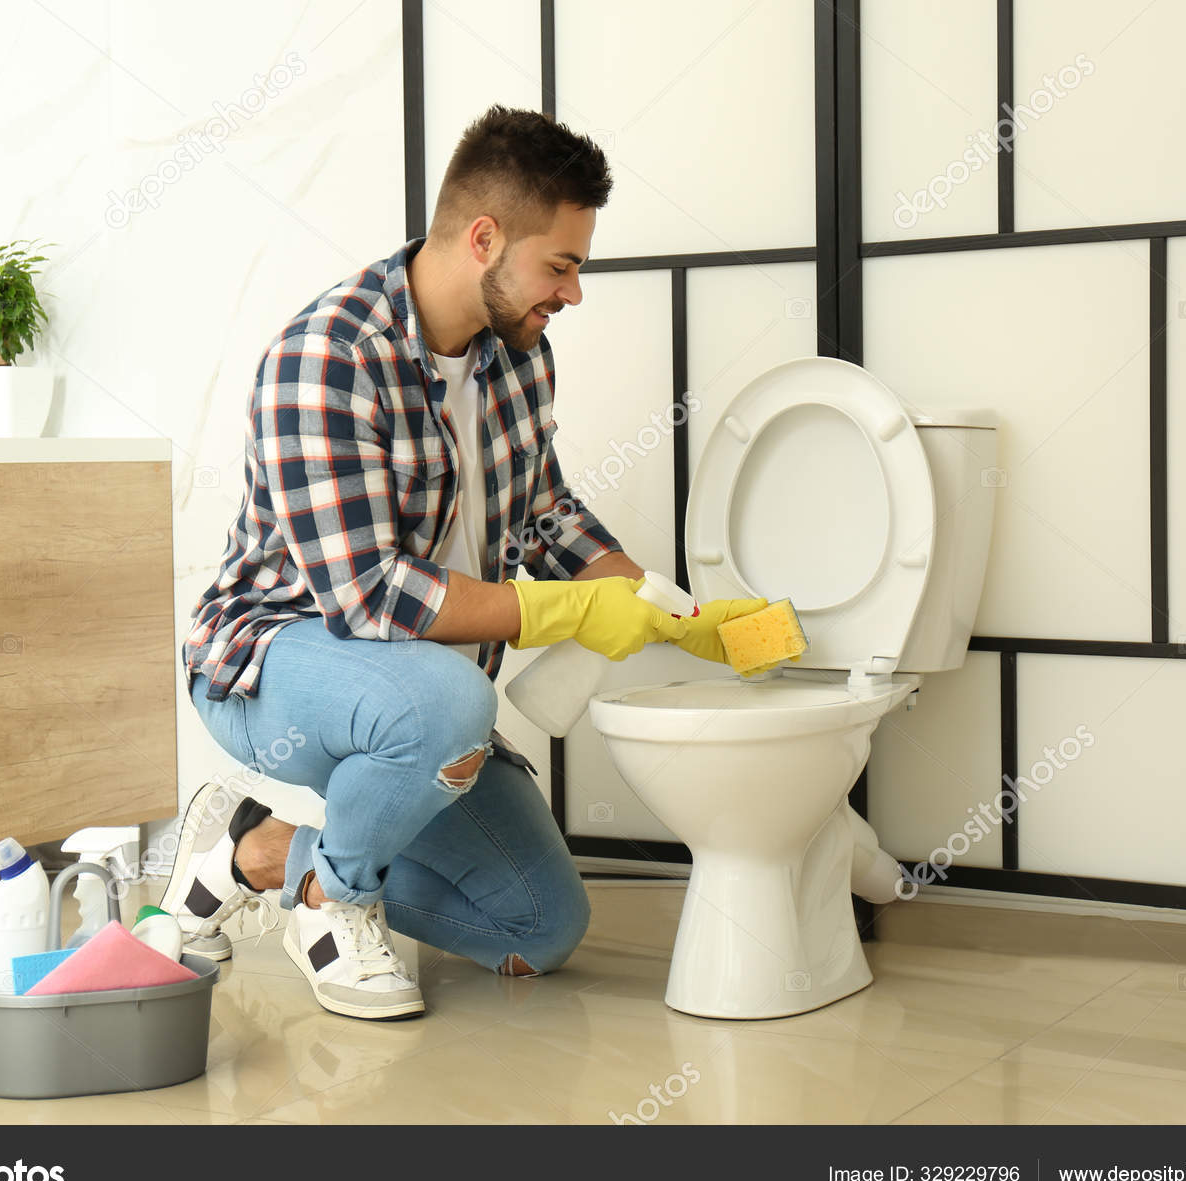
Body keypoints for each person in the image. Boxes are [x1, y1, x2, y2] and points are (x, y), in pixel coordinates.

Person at [170, 104, 761, 1020]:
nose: (571, 293)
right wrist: (563, 615)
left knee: (538, 926)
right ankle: (340, 905)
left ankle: (261, 851)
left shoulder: (518, 356)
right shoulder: (326, 358)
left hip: (421, 693)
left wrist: (663, 605)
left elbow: (547, 512)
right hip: (271, 667)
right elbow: (367, 599)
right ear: (484, 238)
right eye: (559, 265)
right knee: (450, 703)